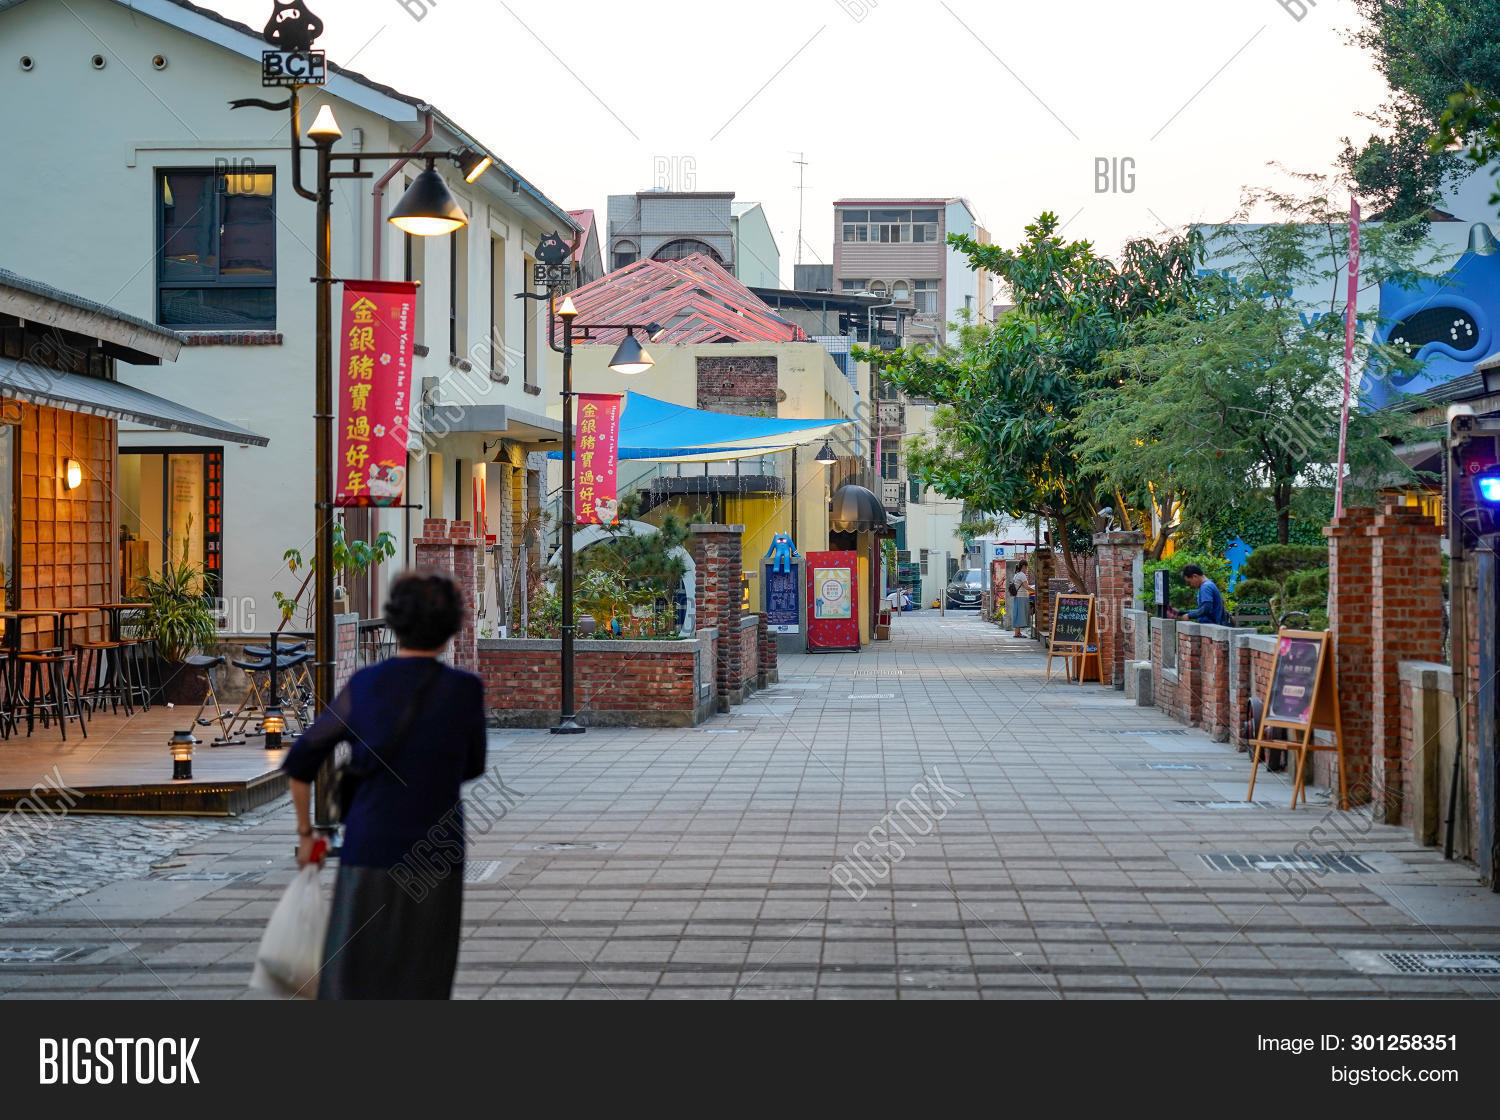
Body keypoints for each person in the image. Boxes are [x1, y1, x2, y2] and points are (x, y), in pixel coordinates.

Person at [282, 572, 487, 999]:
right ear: (451, 626)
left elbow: (301, 761)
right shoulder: (464, 690)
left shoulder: (365, 684)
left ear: (394, 621)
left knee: (355, 977)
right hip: (437, 853)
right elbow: (472, 767)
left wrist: (306, 835)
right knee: (424, 979)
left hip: (369, 846)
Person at [1008, 561, 1033, 638]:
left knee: (1018, 614)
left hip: (1018, 597)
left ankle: (1017, 632)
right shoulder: (1022, 575)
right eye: (1026, 567)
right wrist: (1035, 590)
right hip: (1022, 597)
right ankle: (1017, 633)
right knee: (1020, 614)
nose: (1026, 569)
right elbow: (1026, 587)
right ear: (1024, 566)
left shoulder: (1016, 574)